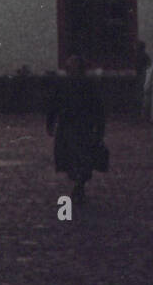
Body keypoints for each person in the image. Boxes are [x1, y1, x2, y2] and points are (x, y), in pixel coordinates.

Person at [45, 53, 107, 203]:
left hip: (82, 126)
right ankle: (79, 183)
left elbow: (98, 107)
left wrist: (99, 128)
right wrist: (50, 122)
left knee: (82, 157)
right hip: (69, 126)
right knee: (72, 157)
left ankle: (79, 185)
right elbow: (54, 104)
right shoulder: (65, 84)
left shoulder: (88, 84)